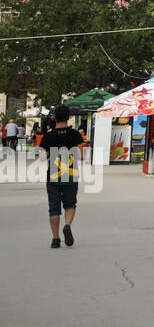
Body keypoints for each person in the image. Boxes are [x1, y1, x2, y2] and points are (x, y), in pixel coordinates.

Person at [40, 106, 85, 249]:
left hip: (53, 174)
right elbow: (80, 155)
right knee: (70, 203)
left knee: (53, 208)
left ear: (54, 117)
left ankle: (55, 239)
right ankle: (67, 225)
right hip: (71, 173)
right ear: (69, 117)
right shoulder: (75, 134)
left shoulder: (48, 136)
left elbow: (42, 158)